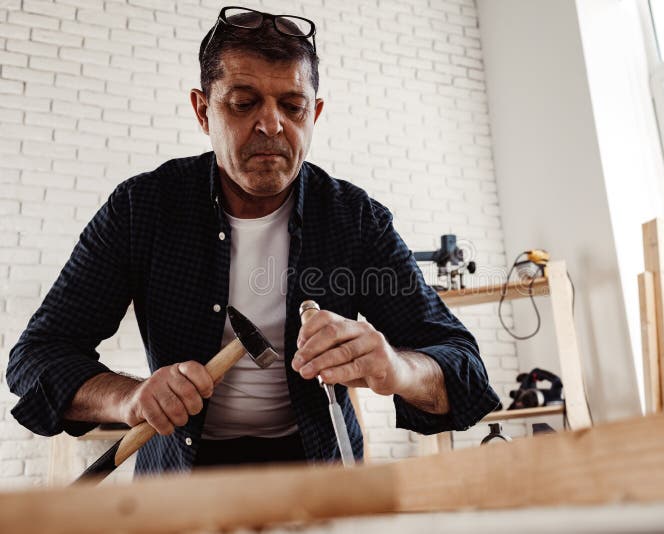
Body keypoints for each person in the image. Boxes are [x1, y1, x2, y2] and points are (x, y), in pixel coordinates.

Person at [6, 7, 500, 474]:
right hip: (182, 479)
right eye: (243, 104)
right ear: (203, 111)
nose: (270, 124)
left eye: (293, 105)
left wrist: (396, 368)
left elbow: (466, 371)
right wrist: (129, 398)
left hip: (315, 479)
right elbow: (37, 357)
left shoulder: (355, 219)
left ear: (315, 114)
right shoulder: (143, 208)